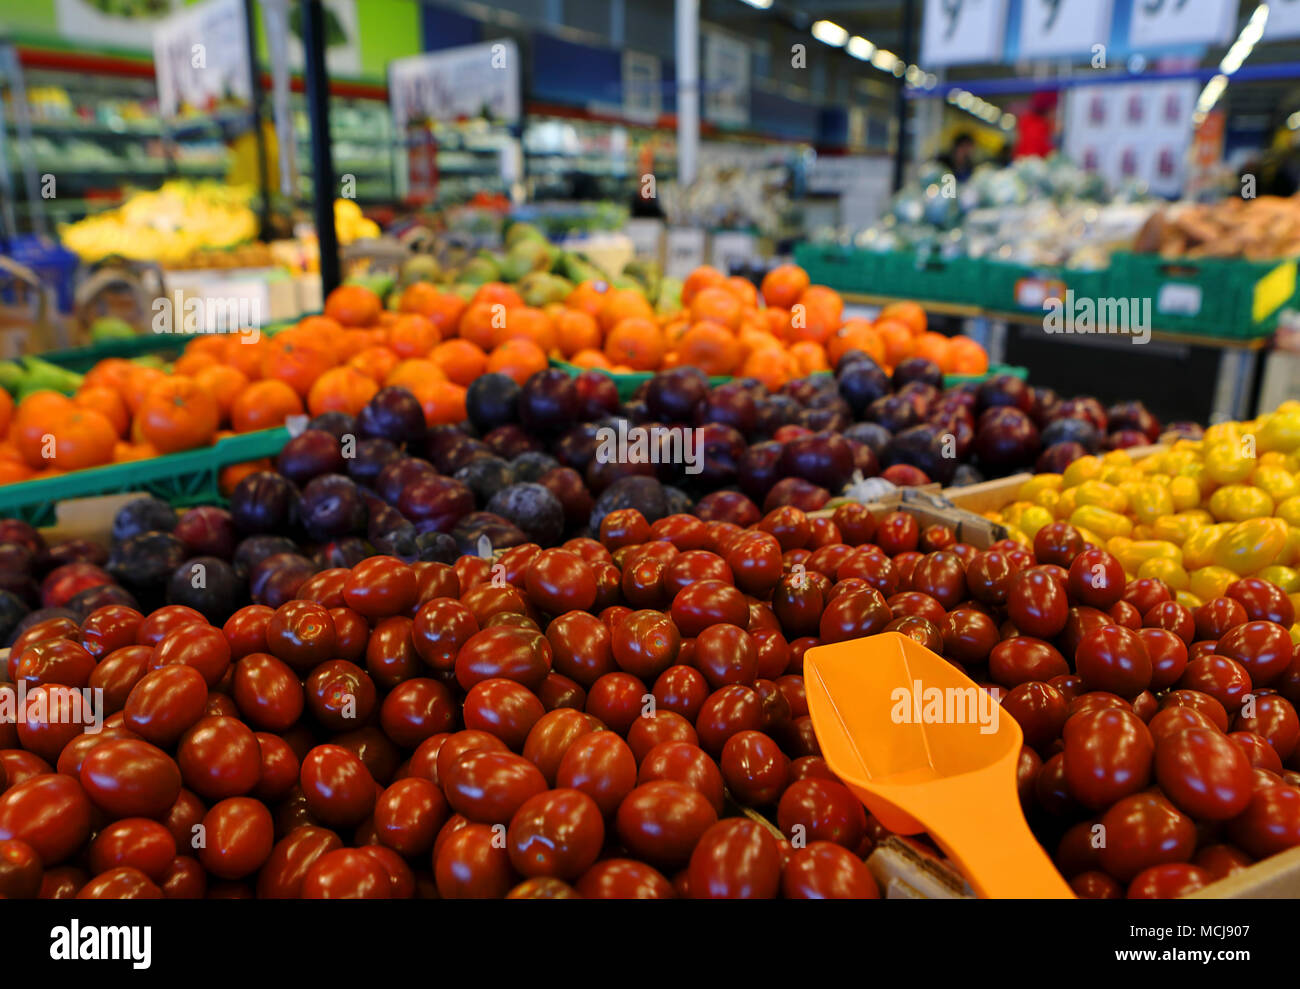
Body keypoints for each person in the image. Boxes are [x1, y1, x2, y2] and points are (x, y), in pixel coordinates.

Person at [1014, 91, 1057, 159]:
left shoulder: (1032, 122)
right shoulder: (1035, 126)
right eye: (1054, 108)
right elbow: (1031, 156)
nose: (1054, 113)